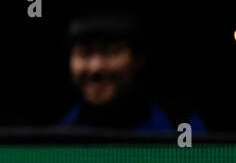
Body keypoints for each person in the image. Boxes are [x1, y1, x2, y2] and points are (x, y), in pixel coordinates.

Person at [58, 11, 205, 133]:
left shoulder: (181, 126)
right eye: (85, 53)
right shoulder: (59, 135)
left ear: (138, 58)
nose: (96, 68)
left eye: (111, 52)